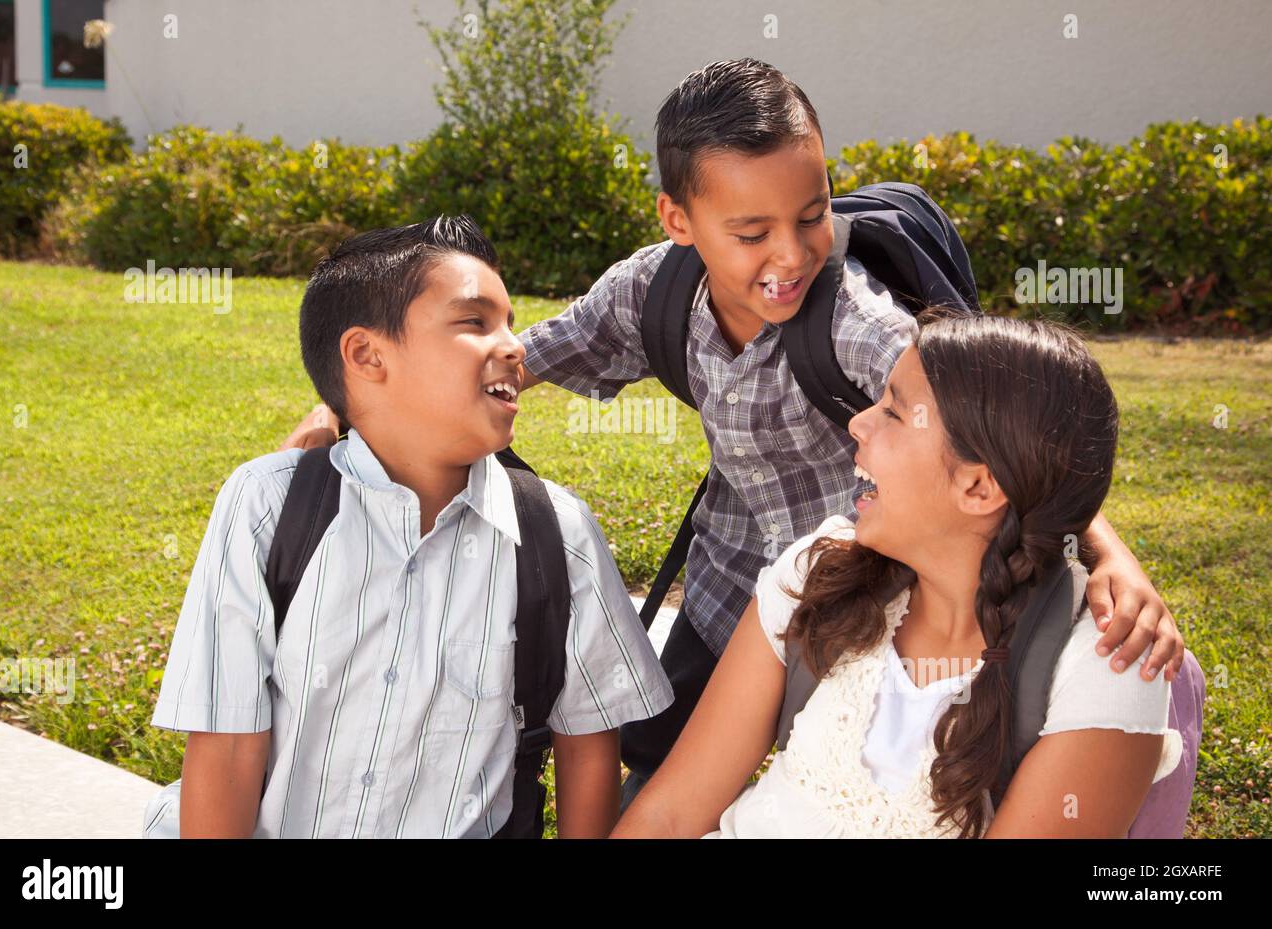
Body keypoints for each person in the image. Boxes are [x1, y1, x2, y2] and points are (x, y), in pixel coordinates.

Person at [281, 59, 1186, 809]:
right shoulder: (654, 291)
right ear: (679, 223)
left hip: (862, 586)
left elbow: (995, 443)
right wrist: (347, 408)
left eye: (811, 215)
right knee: (660, 778)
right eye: (750, 232)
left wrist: (1104, 551)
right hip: (732, 587)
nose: (790, 256)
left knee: (858, 767)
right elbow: (536, 352)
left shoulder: (860, 327)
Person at [144, 216, 673, 838]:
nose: (513, 345)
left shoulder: (556, 532)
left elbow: (587, 741)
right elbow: (227, 743)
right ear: (367, 355)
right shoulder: (267, 505)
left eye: (508, 322)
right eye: (475, 322)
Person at [612, 310, 1184, 838]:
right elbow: (670, 814)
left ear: (979, 486)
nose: (857, 424)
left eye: (892, 411)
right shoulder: (817, 569)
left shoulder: (1105, 664)